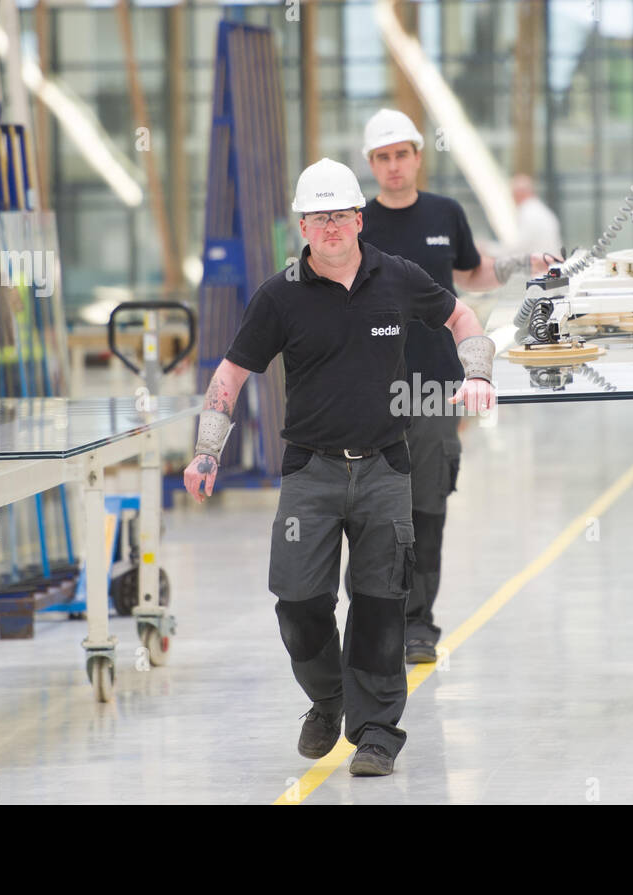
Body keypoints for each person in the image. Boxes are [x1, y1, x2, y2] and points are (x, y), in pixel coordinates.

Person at [183, 158, 497, 777]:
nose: (329, 227)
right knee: (299, 603)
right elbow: (231, 373)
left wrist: (478, 372)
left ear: (359, 218)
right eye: (317, 217)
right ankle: (328, 700)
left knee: (382, 604)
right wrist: (206, 449)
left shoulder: (396, 278)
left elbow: (461, 316)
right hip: (311, 474)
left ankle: (377, 730)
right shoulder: (279, 297)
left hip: (384, 467)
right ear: (302, 225)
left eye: (339, 215)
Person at [357, 108, 552, 665]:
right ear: (372, 164)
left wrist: (522, 263)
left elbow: (471, 274)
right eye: (383, 157)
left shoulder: (445, 213)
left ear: (418, 156)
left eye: (402, 155)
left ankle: (419, 624)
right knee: (372, 509)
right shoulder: (357, 224)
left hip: (434, 384)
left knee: (427, 506)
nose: (394, 166)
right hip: (371, 388)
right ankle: (378, 620)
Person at [509, 173, 563, 259]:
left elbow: (521, 246)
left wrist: (492, 250)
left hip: (540, 264)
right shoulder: (541, 210)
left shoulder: (527, 212)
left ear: (519, 193)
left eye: (513, 194)